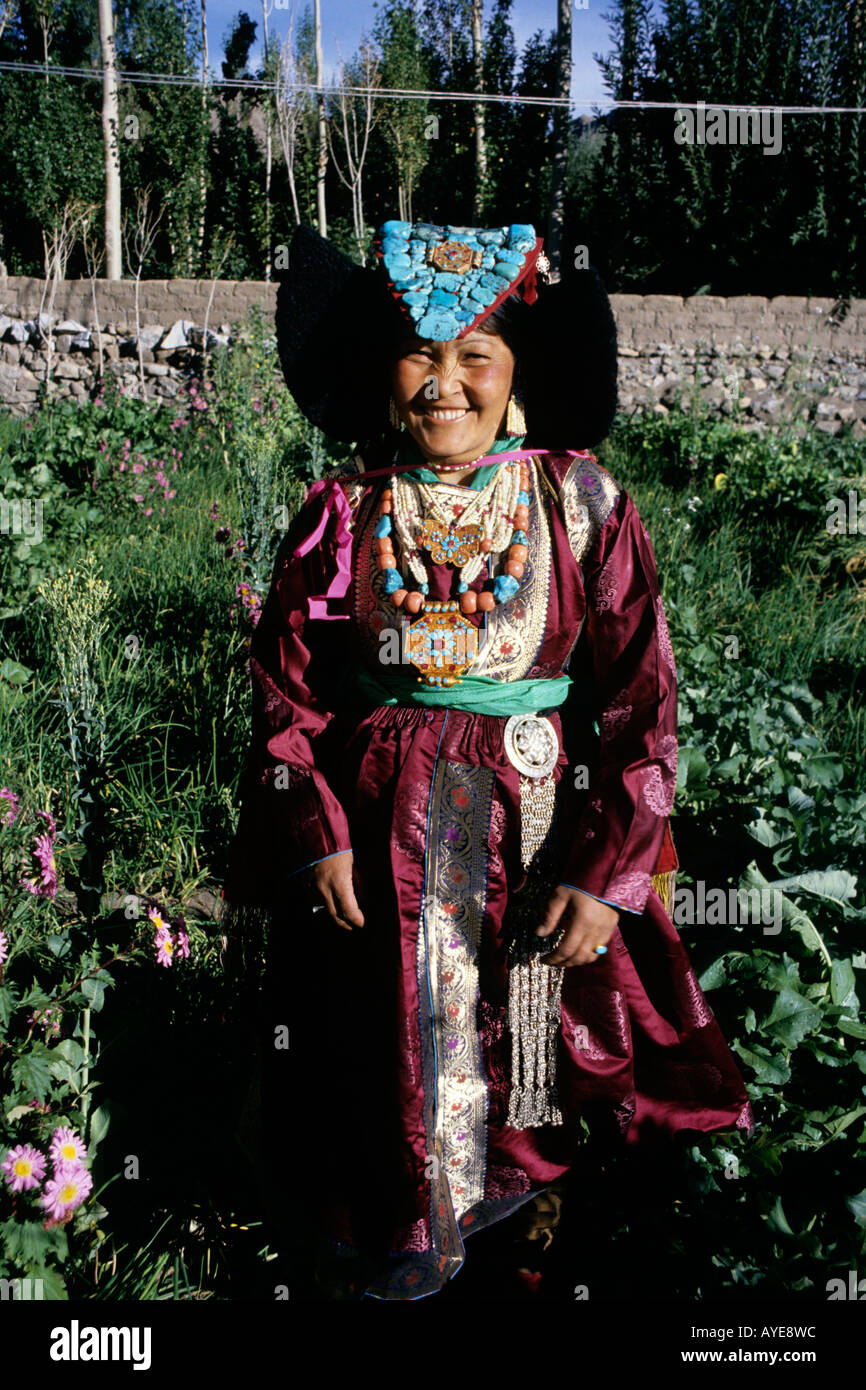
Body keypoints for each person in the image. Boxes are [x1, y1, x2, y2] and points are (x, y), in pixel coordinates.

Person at [220, 219, 755, 1301]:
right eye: (422, 352)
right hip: (381, 851)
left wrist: (605, 875)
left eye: (476, 354)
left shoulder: (579, 502)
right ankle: (399, 1234)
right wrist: (315, 832)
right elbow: (289, 695)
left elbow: (639, 699)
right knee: (391, 1046)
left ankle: (524, 1240)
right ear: (385, 370)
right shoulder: (342, 512)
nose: (444, 383)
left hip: (534, 831)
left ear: (515, 372)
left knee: (527, 1043)